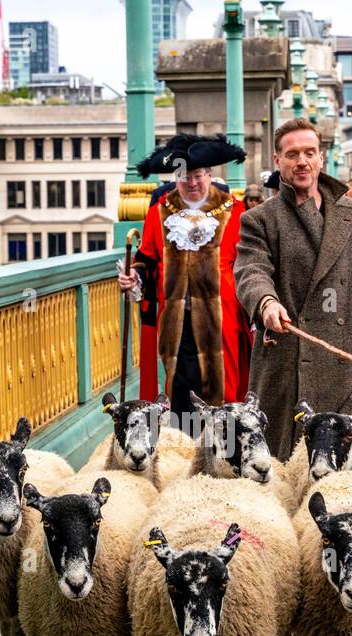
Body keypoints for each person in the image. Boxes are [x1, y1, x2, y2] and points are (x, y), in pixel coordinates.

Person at [234, 117, 352, 460]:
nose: (301, 161)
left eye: (309, 152)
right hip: (287, 357)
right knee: (280, 465)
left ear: (321, 157)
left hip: (341, 357)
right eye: (292, 154)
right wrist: (266, 303)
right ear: (278, 162)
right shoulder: (260, 219)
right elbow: (251, 269)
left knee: (335, 467)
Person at [119, 133, 250, 422]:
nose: (191, 183)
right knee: (180, 395)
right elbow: (147, 261)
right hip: (175, 323)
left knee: (222, 394)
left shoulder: (237, 212)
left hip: (222, 321)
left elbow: (250, 266)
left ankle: (222, 459)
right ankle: (185, 458)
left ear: (210, 175)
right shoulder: (159, 213)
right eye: (184, 177)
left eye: (198, 176)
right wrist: (135, 279)